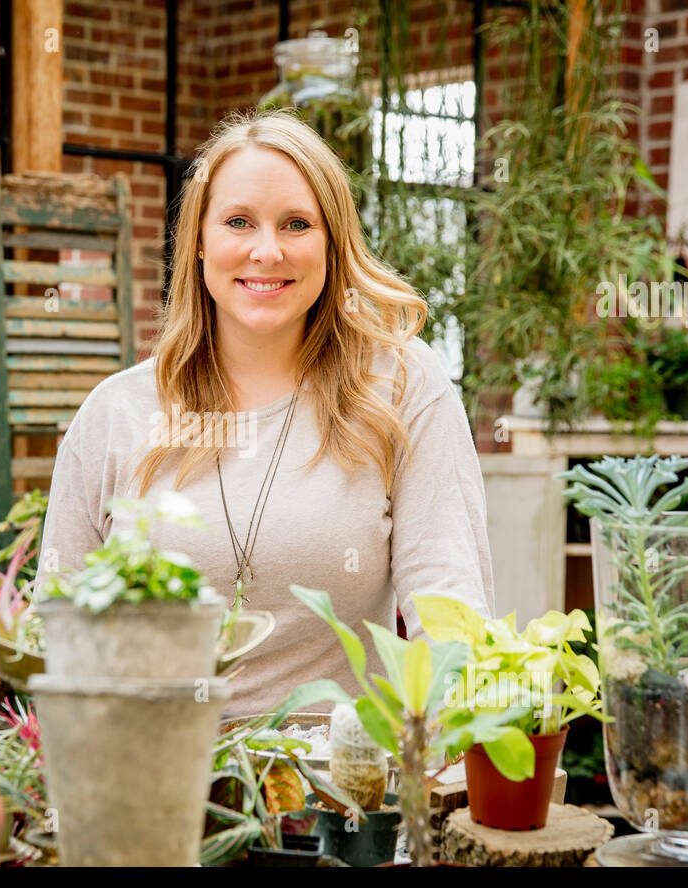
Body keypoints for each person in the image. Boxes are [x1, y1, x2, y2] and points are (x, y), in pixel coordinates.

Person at [38, 110, 494, 716]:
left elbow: (448, 604)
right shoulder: (116, 413)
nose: (267, 250)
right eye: (238, 221)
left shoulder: (402, 385)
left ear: (333, 243)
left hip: (341, 790)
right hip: (155, 777)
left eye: (297, 224)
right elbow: (57, 631)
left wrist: (451, 762)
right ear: (198, 240)